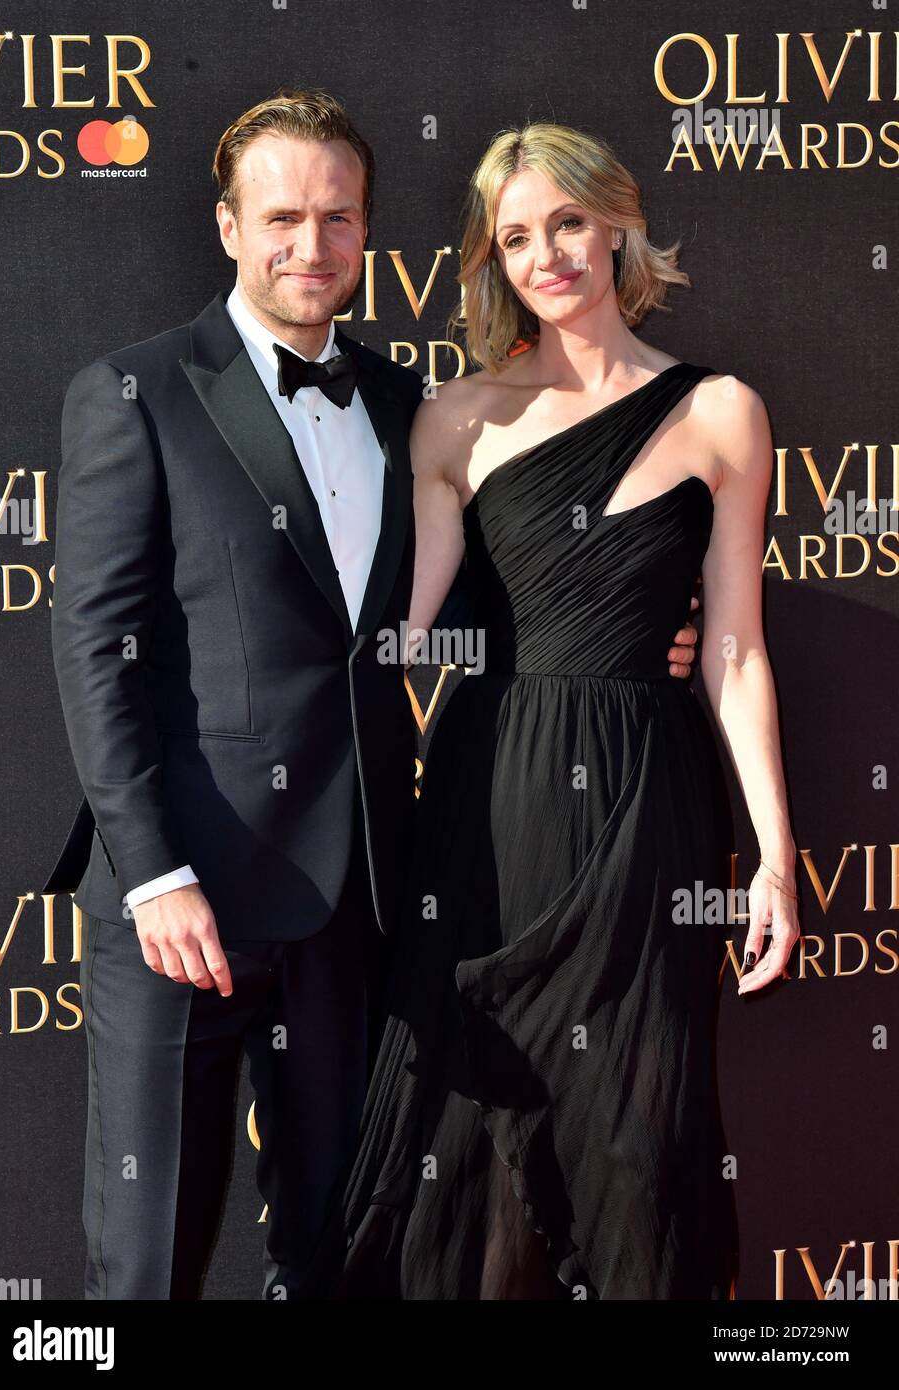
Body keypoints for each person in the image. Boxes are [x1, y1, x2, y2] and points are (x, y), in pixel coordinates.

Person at [41, 91, 701, 1300]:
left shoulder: (411, 407)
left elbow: (464, 606)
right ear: (229, 226)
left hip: (358, 908)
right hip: (184, 902)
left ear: (367, 234)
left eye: (338, 218)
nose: (312, 245)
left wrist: (635, 630)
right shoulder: (138, 393)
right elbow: (95, 647)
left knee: (341, 1246)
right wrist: (152, 873)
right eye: (283, 216)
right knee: (145, 1266)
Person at [314, 122, 800, 1300]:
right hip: (492, 801)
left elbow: (734, 649)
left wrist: (778, 854)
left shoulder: (723, 412)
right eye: (516, 236)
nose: (548, 256)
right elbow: (406, 633)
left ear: (616, 223)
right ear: (492, 259)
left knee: (639, 1139)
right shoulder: (458, 418)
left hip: (649, 810)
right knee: (477, 1126)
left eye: (568, 222)